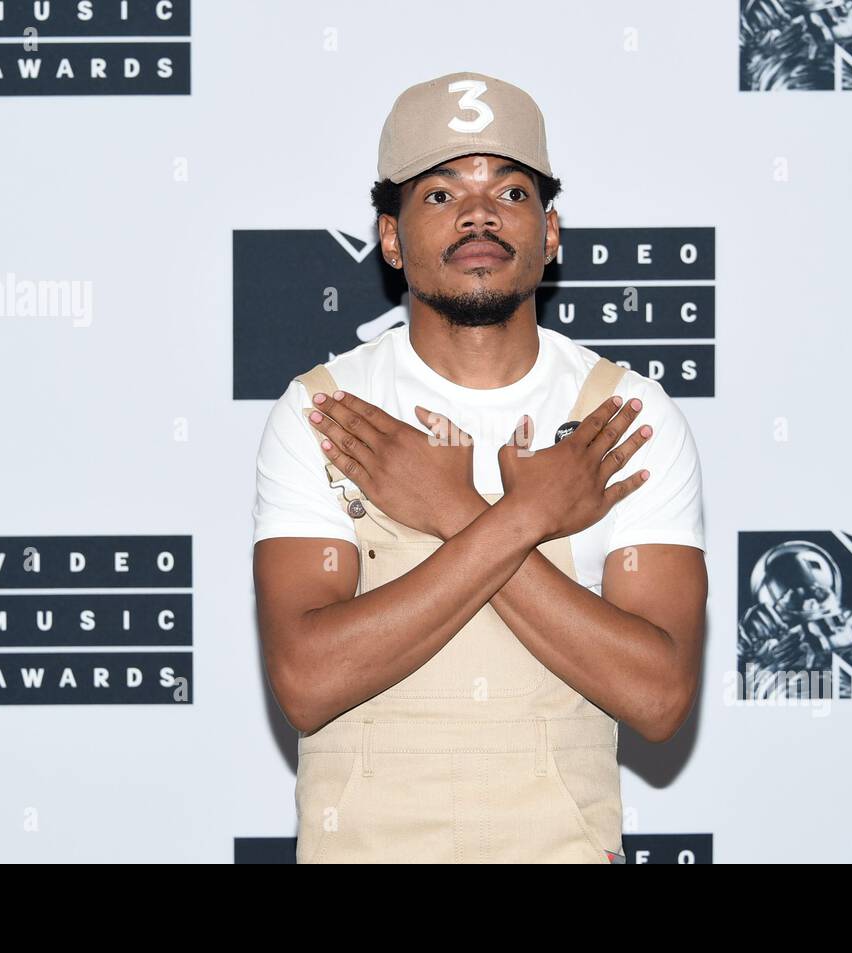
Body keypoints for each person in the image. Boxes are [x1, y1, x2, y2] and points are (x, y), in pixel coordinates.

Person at [251, 70, 708, 863]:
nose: (478, 214)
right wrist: (526, 514)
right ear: (390, 237)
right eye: (439, 194)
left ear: (551, 232)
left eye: (512, 191)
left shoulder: (625, 416)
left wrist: (454, 510)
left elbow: (659, 696)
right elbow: (307, 679)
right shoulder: (326, 411)